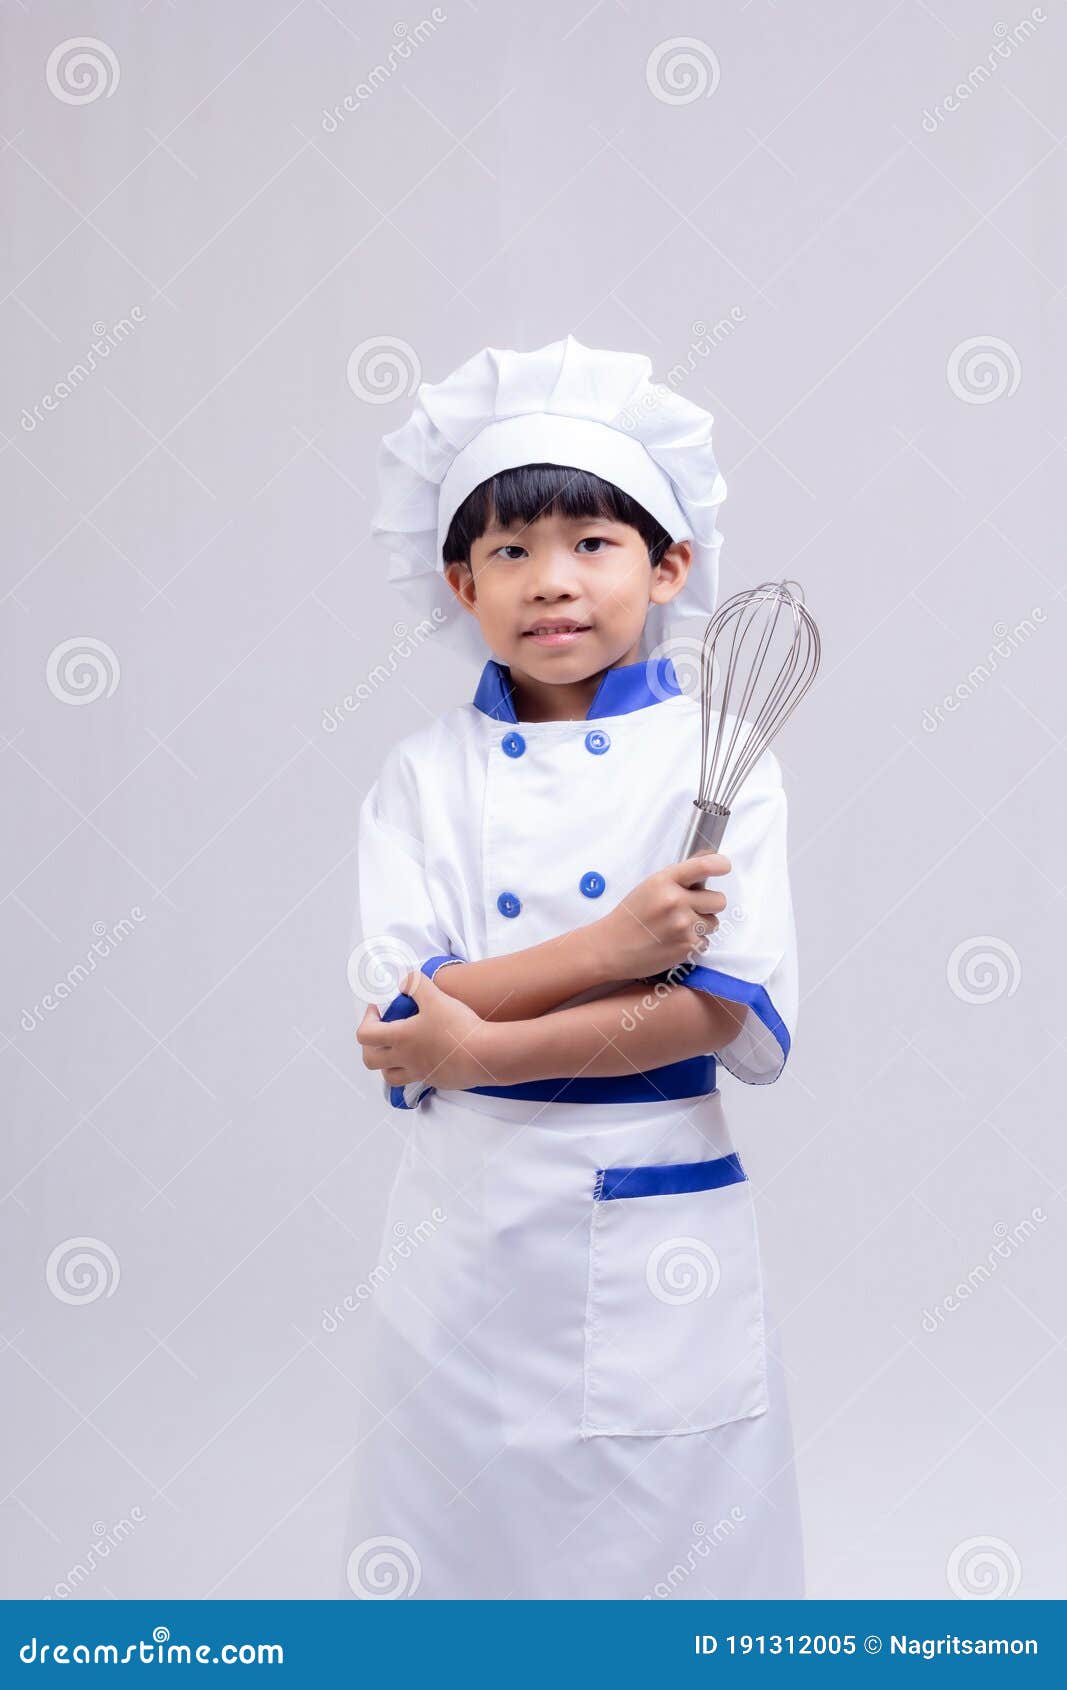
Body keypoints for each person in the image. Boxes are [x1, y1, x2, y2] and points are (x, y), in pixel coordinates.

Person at [339, 335, 804, 1601]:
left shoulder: (720, 760)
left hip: (656, 1210)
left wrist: (472, 1042)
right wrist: (610, 951)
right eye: (509, 551)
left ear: (668, 567)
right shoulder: (420, 778)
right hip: (468, 1222)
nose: (551, 583)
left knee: (672, 1546)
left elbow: (710, 1008)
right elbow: (396, 1016)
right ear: (458, 581)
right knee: (454, 1540)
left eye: (592, 545)